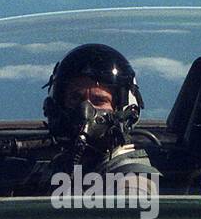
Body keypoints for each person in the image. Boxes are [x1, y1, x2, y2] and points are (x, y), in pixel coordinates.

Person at [41, 44, 159, 183]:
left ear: (123, 110)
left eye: (99, 100)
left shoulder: (132, 181)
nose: (85, 110)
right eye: (76, 98)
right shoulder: (59, 167)